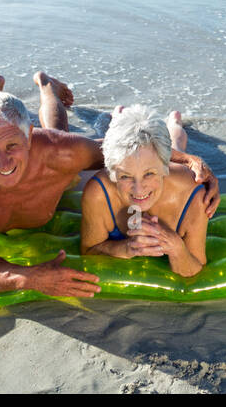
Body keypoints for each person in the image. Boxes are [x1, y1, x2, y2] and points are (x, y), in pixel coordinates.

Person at [0, 73, 219, 297]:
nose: (4, 162)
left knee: (59, 138)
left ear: (30, 136)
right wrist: (30, 278)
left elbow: (123, 152)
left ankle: (47, 87)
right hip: (6, 142)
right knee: (0, 126)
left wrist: (192, 161)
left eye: (12, 145)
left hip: (52, 156)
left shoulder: (59, 153)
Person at [80, 105, 208, 278]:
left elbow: (196, 266)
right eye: (125, 176)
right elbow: (88, 251)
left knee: (176, 143)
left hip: (174, 171)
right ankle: (119, 117)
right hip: (132, 156)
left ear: (164, 167)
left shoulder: (191, 195)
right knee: (126, 146)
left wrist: (176, 247)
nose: (139, 190)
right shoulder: (99, 193)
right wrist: (123, 248)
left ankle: (175, 122)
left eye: (149, 174)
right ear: (113, 173)